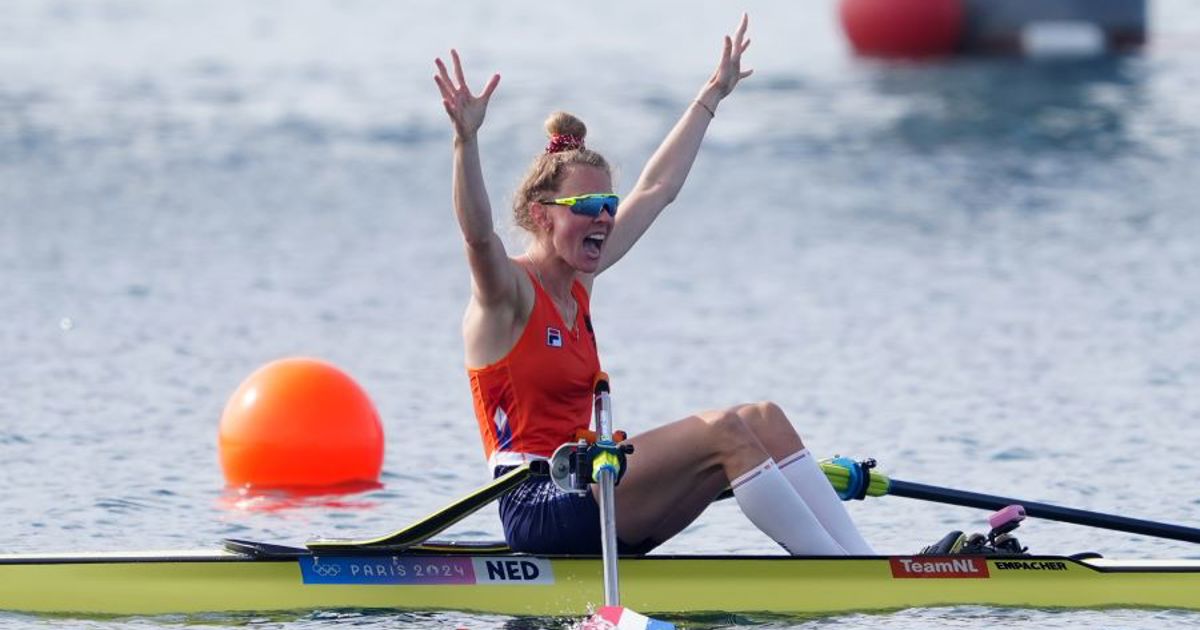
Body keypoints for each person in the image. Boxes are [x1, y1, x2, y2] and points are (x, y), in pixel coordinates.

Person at [433, 15, 875, 557]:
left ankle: (861, 563)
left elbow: (658, 188)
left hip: (590, 485)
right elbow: (478, 237)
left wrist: (710, 97)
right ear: (540, 215)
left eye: (608, 206)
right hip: (536, 502)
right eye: (588, 207)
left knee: (764, 419)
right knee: (724, 430)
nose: (604, 219)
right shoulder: (507, 293)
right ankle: (838, 573)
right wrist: (464, 141)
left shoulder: (580, 283)